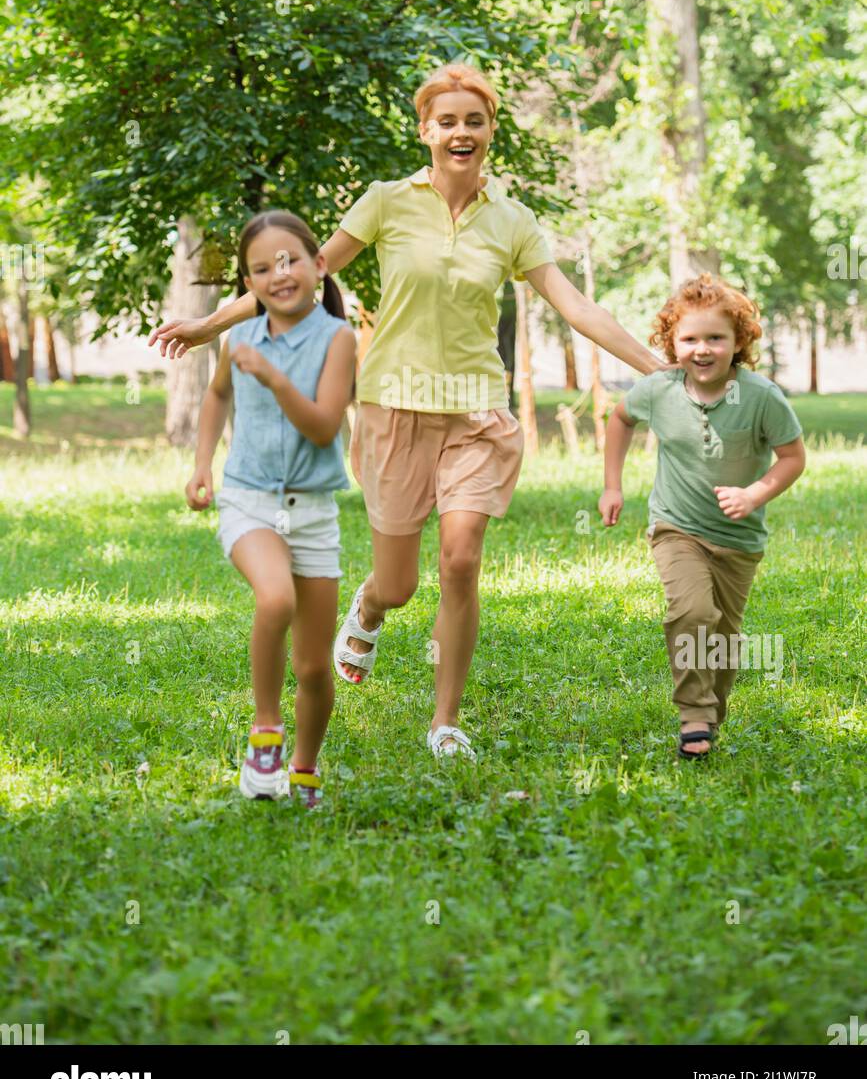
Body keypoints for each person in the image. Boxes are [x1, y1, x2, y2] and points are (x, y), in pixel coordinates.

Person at [155, 62, 666, 763]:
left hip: (476, 412)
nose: (461, 132)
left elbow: (573, 305)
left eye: (474, 121)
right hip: (394, 407)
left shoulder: (513, 222)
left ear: (490, 133)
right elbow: (303, 275)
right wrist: (211, 323)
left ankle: (445, 720)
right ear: (426, 132)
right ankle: (368, 610)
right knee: (398, 583)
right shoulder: (386, 202)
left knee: (460, 559)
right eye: (447, 121)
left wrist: (654, 366)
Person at [185, 211, 356, 804]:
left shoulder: (339, 339)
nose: (277, 275)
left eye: (288, 261)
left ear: (318, 264)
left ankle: (304, 768)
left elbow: (323, 425)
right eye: (260, 269)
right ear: (249, 283)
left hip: (312, 512)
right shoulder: (238, 339)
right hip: (249, 500)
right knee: (274, 596)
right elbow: (216, 397)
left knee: (313, 668)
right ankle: (266, 735)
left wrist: (278, 379)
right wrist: (203, 464)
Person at [598, 274, 806, 758]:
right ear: (671, 342)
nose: (703, 349)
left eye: (716, 337)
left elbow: (793, 458)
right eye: (690, 338)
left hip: (739, 538)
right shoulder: (659, 389)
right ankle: (694, 713)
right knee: (693, 612)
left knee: (726, 637)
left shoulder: (762, 397)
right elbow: (620, 418)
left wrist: (754, 494)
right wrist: (613, 484)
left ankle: (711, 716)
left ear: (739, 342)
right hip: (677, 527)